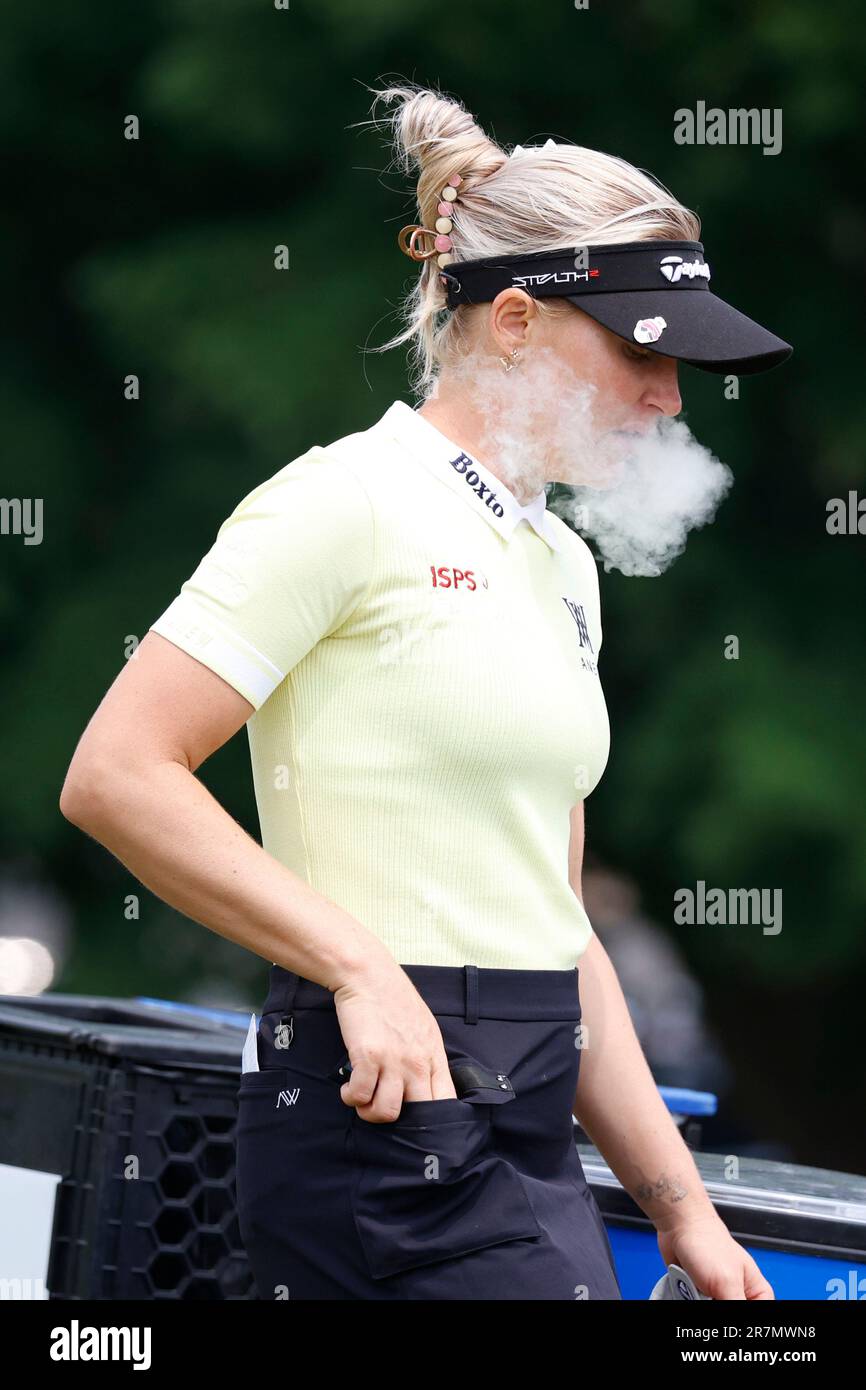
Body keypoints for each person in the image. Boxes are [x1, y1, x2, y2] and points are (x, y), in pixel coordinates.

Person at [59, 81, 791, 1300]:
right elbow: (115, 774)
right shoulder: (340, 501)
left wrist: (685, 1217)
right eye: (639, 352)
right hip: (377, 1100)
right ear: (513, 319)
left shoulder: (562, 563)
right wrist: (357, 966)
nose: (669, 397)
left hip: (525, 1118)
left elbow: (556, 924)